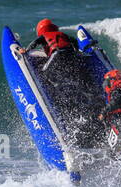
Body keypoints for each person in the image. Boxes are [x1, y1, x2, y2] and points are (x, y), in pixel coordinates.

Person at [19, 19, 104, 148]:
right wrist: (80, 52)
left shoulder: (44, 36)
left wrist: (26, 50)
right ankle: (86, 87)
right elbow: (75, 43)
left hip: (57, 54)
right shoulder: (62, 35)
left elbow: (35, 43)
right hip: (72, 56)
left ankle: (55, 85)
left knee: (46, 72)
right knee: (78, 73)